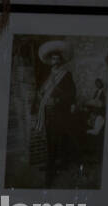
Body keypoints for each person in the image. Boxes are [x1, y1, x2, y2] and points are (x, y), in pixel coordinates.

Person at [31, 40, 78, 186]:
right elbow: (42, 92)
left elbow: (71, 94)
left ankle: (50, 173)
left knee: (55, 141)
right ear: (50, 60)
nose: (55, 60)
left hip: (59, 114)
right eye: (52, 58)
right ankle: (57, 164)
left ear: (61, 60)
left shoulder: (66, 75)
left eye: (57, 58)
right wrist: (39, 95)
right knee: (51, 141)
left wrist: (57, 100)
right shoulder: (47, 75)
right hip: (47, 114)